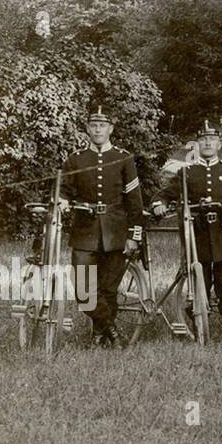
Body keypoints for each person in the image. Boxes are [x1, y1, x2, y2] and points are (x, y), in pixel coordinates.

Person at [54, 105, 144, 347]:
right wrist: (62, 201)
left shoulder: (124, 158)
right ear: (87, 128)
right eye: (93, 125)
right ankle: (113, 333)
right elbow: (64, 190)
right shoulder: (76, 159)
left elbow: (134, 201)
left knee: (108, 290)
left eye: (102, 125)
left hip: (116, 232)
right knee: (84, 291)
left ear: (111, 129)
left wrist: (134, 235)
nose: (98, 130)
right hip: (84, 232)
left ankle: (98, 336)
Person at [153, 120, 222, 339]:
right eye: (203, 139)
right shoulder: (188, 172)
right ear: (197, 144)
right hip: (197, 240)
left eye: (212, 139)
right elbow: (166, 193)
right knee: (199, 287)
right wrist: (159, 204)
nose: (208, 143)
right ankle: (199, 327)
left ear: (219, 144)